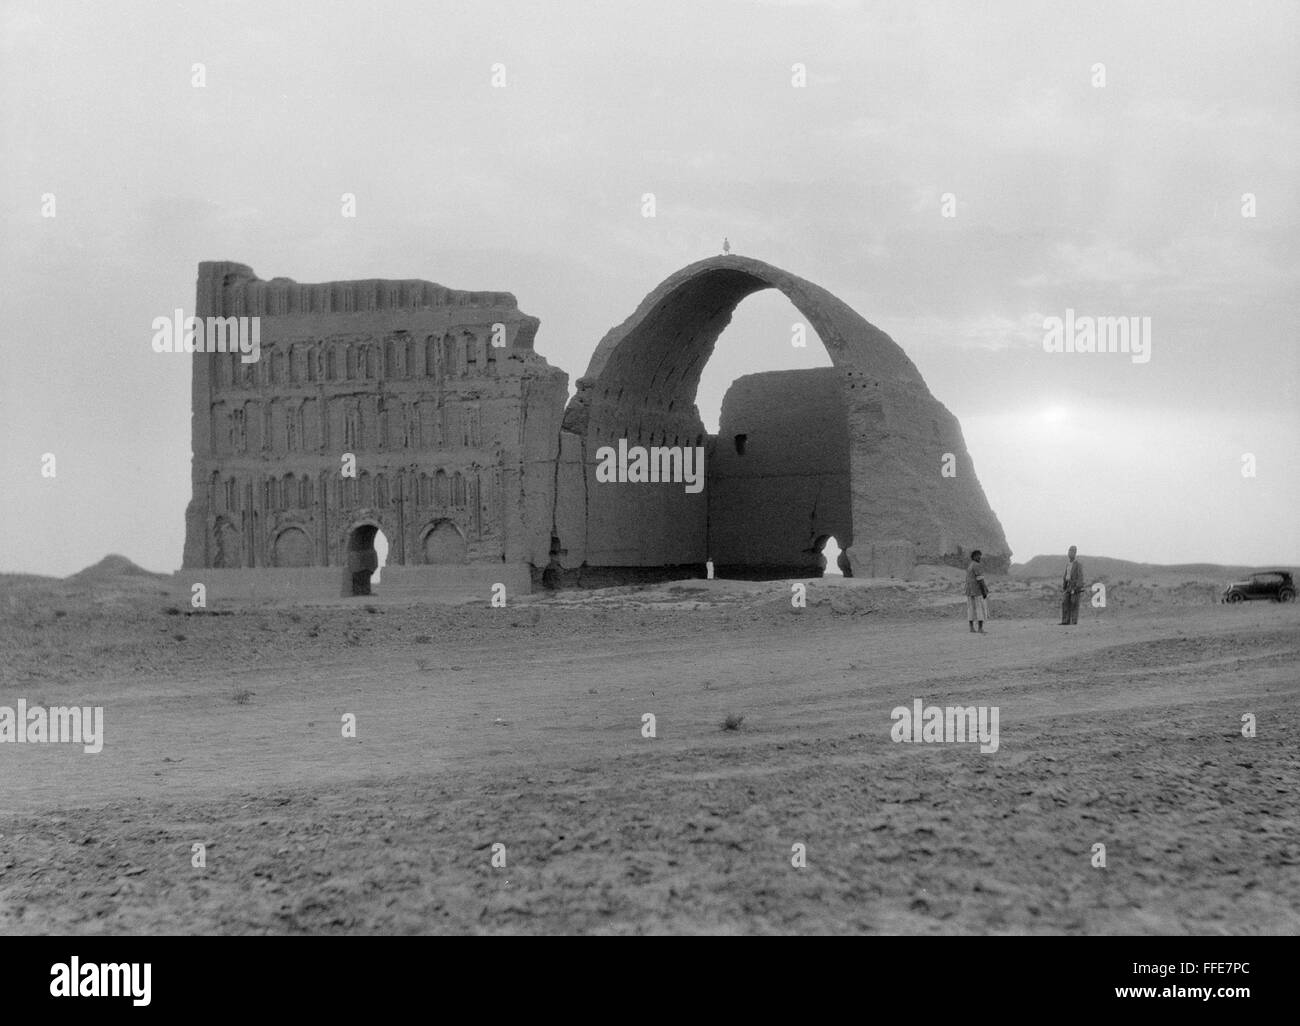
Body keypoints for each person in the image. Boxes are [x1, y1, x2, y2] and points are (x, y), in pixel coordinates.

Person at [1060, 546, 1084, 625]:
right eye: (1069, 551)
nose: (1069, 553)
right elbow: (1066, 575)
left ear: (1075, 553)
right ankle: (1065, 621)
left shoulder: (1078, 564)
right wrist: (1064, 586)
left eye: (1071, 552)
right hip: (1067, 586)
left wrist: (1077, 587)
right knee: (1065, 602)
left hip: (1074, 586)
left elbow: (1080, 576)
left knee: (1074, 603)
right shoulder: (1068, 564)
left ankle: (1074, 621)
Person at [965, 550, 987, 633]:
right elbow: (980, 580)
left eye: (980, 555)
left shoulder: (970, 566)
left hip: (969, 591)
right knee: (980, 608)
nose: (980, 557)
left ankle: (971, 628)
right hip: (977, 591)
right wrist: (984, 591)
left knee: (970, 609)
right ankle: (980, 628)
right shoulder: (977, 565)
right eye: (978, 555)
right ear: (974, 557)